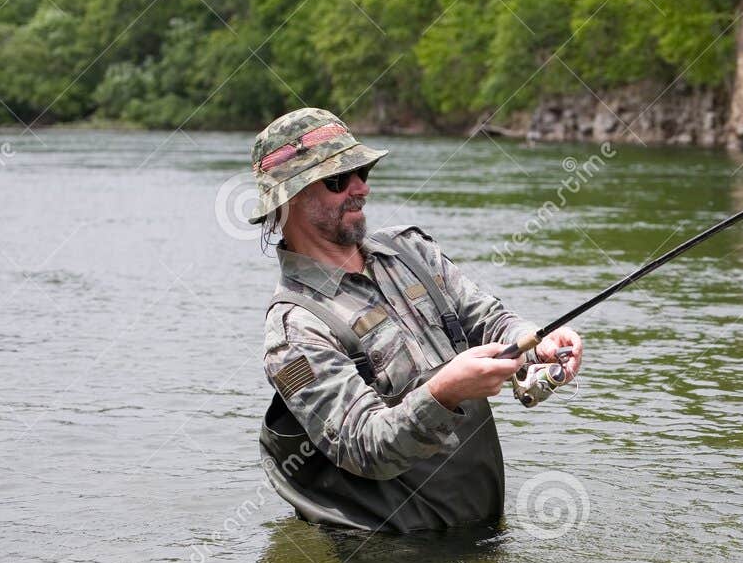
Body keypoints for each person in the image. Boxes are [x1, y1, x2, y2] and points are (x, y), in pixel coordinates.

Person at [246, 107, 582, 532]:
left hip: (479, 530)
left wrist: (537, 344)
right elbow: (363, 445)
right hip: (390, 562)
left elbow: (488, 318)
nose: (360, 188)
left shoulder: (412, 251)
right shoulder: (294, 330)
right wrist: (445, 391)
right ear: (290, 199)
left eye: (362, 171)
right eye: (337, 180)